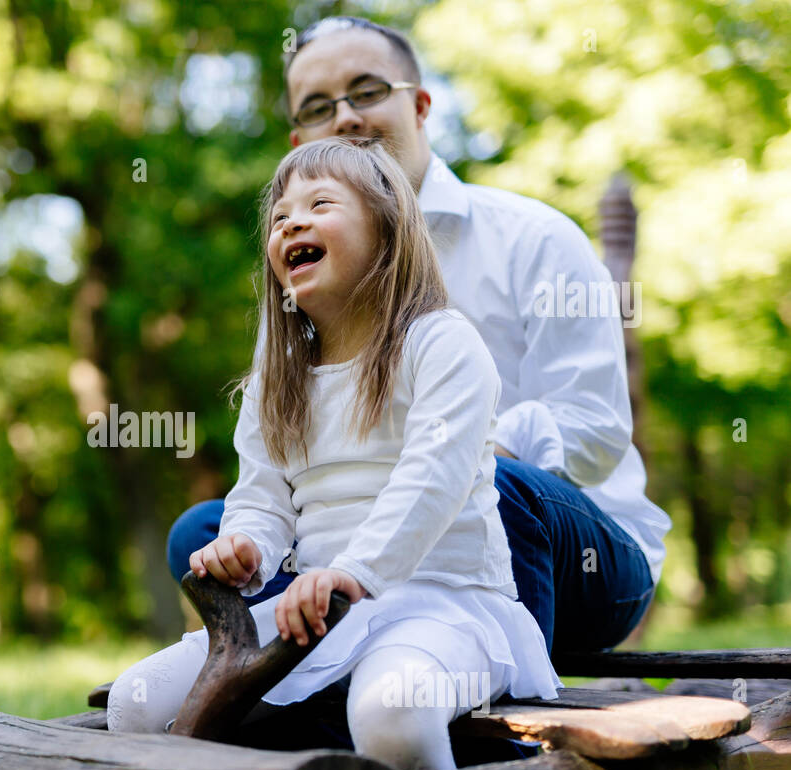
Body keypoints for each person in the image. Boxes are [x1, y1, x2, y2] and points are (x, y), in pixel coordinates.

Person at [166, 16, 670, 657]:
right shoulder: (302, 283)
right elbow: (280, 457)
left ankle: (494, 703)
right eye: (320, 107)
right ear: (299, 140)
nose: (346, 117)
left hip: (577, 557)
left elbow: (596, 431)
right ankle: (324, 673)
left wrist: (456, 451)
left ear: (421, 103)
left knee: (487, 482)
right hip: (364, 537)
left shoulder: (535, 237)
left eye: (368, 90)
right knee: (204, 538)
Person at [107, 139, 562, 770]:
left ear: (388, 230)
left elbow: (433, 478)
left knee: (391, 713)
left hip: (445, 604)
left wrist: (354, 572)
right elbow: (263, 497)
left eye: (320, 203)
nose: (291, 222)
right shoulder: (279, 379)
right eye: (279, 217)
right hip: (323, 610)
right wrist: (246, 548)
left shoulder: (442, 343)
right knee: (134, 704)